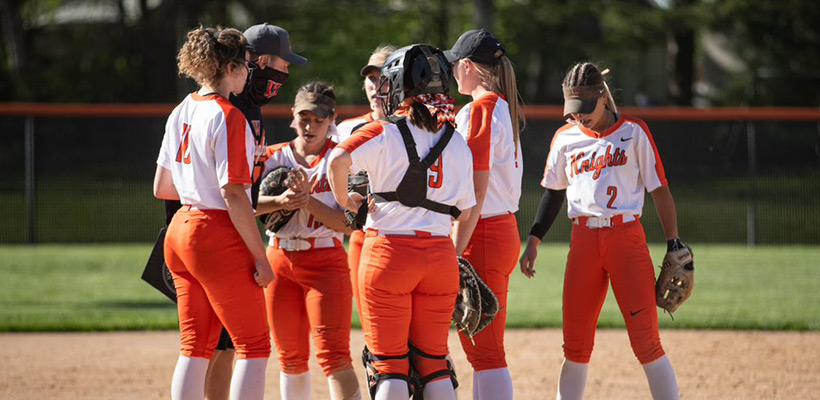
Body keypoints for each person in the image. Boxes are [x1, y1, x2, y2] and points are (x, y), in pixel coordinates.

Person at [519, 62, 683, 400]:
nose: (579, 116)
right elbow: (553, 193)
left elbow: (660, 190)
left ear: (603, 98)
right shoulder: (565, 138)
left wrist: (674, 242)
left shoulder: (634, 132)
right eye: (573, 109)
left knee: (647, 342)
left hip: (626, 239)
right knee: (575, 345)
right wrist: (534, 239)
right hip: (583, 242)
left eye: (585, 108)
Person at [328, 44, 476, 400]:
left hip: (388, 253)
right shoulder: (457, 141)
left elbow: (337, 160)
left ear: (397, 85)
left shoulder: (383, 131)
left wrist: (345, 200)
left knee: (389, 365)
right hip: (440, 256)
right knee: (435, 363)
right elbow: (467, 210)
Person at [152, 27, 272, 400]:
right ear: (230, 68)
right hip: (214, 231)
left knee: (195, 345)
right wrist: (260, 256)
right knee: (254, 344)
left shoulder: (181, 109)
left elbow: (162, 187)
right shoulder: (229, 115)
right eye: (246, 65)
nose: (249, 72)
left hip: (180, 229)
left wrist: (196, 185)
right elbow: (233, 193)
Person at [205, 22, 308, 400]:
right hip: (218, 232)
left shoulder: (248, 109)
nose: (286, 72)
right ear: (261, 61)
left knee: (223, 342)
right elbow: (229, 192)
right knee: (220, 342)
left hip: (227, 230)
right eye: (284, 64)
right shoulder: (228, 107)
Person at [256, 82, 361, 400]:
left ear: (332, 119)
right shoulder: (273, 156)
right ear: (292, 115)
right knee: (289, 357)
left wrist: (306, 201)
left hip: (325, 261)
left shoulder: (340, 159)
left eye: (318, 119)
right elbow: (244, 204)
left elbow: (348, 225)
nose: (310, 125)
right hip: (279, 259)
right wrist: (280, 202)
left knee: (334, 355)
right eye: (304, 117)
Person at [444, 29, 524, 400]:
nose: (452, 73)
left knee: (486, 353)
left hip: (482, 232)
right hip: (495, 228)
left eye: (454, 65)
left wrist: (454, 249)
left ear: (467, 66)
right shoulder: (500, 105)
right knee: (482, 352)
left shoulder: (481, 109)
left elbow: (475, 190)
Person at [334, 43, 396, 321]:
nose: (375, 86)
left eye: (383, 77)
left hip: (405, 234)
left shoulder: (420, 127)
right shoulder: (347, 129)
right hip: (362, 234)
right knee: (371, 320)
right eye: (371, 78)